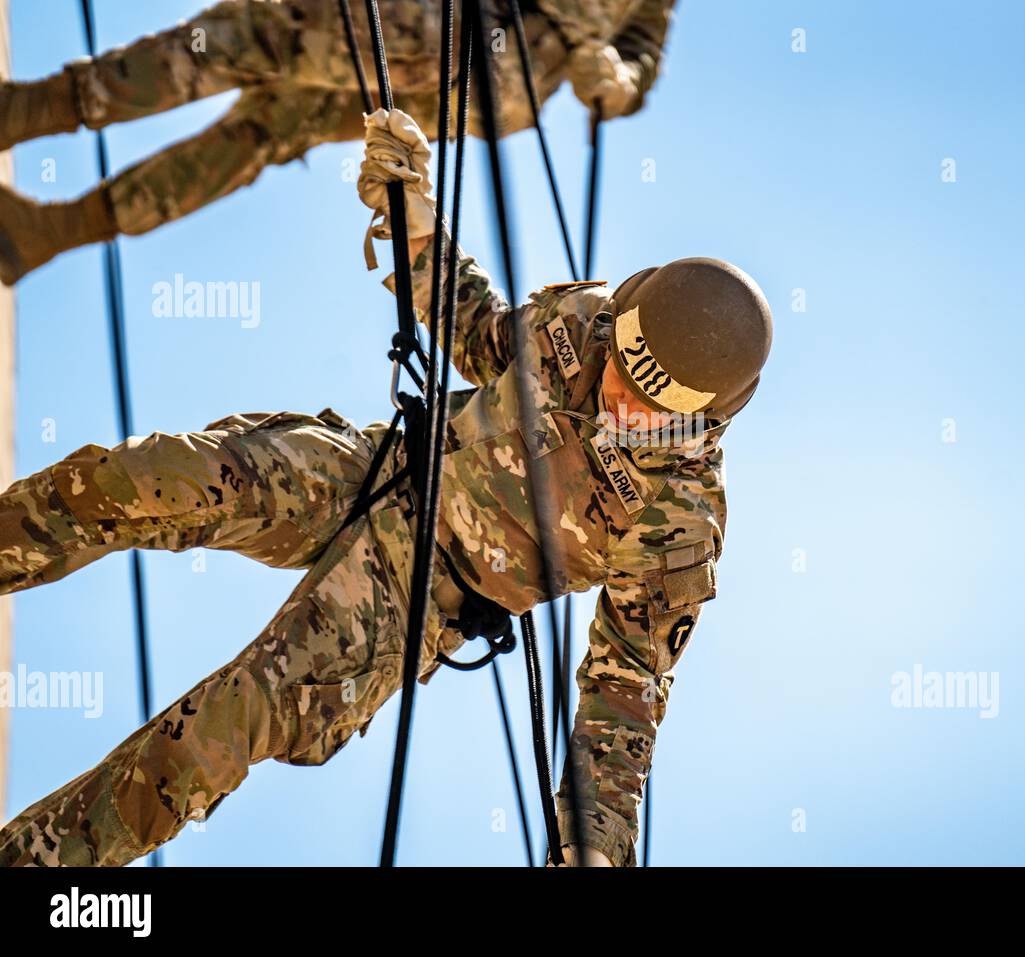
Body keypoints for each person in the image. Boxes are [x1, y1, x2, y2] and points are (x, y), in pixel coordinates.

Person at [0, 107, 772, 867]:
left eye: (651, 402)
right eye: (624, 366)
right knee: (155, 476)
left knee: (221, 732)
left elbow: (624, 694)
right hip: (379, 468)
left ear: (701, 415)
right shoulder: (589, 320)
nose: (620, 395)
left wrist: (596, 847)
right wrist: (416, 224)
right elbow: (481, 335)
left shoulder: (682, 522)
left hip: (421, 597)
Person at [0, 0, 675, 285]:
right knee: (275, 121)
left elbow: (640, 53)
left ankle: (28, 115)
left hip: (489, 57)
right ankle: (49, 231)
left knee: (261, 35)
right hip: (487, 77)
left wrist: (616, 81)